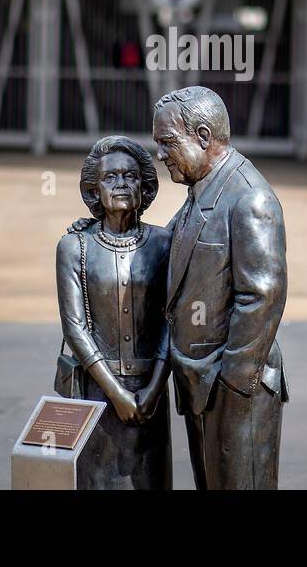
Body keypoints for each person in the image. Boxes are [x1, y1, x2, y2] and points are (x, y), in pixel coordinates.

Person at [151, 86, 289, 490]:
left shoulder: (249, 199)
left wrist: (230, 385)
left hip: (232, 390)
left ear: (203, 137)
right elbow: (171, 249)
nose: (161, 155)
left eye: (168, 142)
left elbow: (262, 296)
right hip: (202, 385)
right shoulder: (205, 189)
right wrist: (101, 232)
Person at [55, 135, 172, 489]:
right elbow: (75, 329)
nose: (121, 184)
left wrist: (153, 388)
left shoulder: (164, 243)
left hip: (151, 389)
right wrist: (116, 394)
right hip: (96, 393)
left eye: (131, 176)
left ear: (145, 187)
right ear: (94, 190)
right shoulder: (74, 247)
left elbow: (172, 320)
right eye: (110, 177)